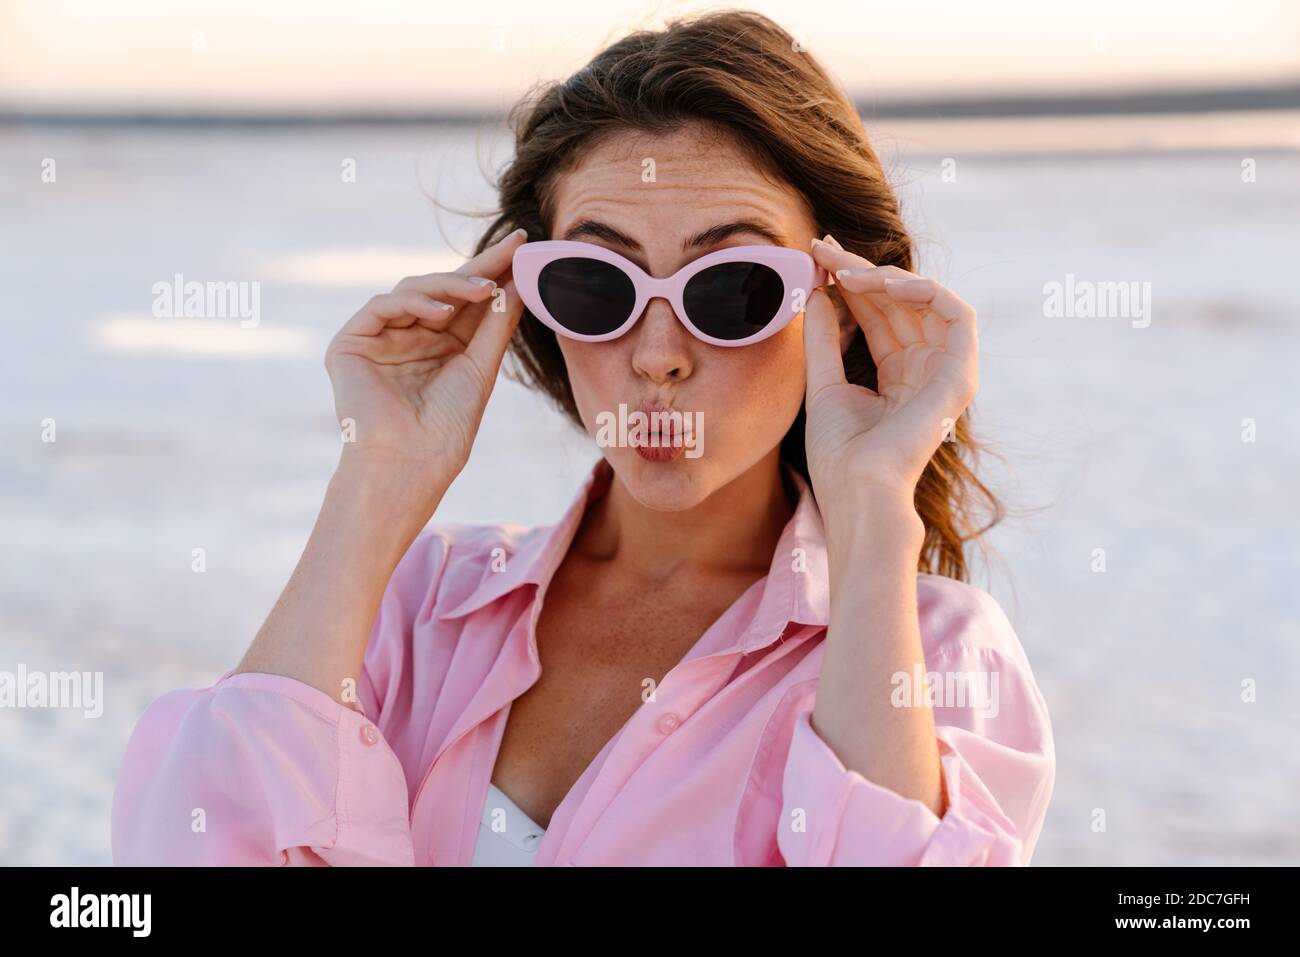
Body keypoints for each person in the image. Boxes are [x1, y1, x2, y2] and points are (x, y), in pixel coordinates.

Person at [111, 10, 1054, 866]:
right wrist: (378, 476)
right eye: (597, 287)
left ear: (842, 307)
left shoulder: (932, 655)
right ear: (540, 302)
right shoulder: (421, 608)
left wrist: (872, 510)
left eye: (732, 290)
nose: (657, 356)